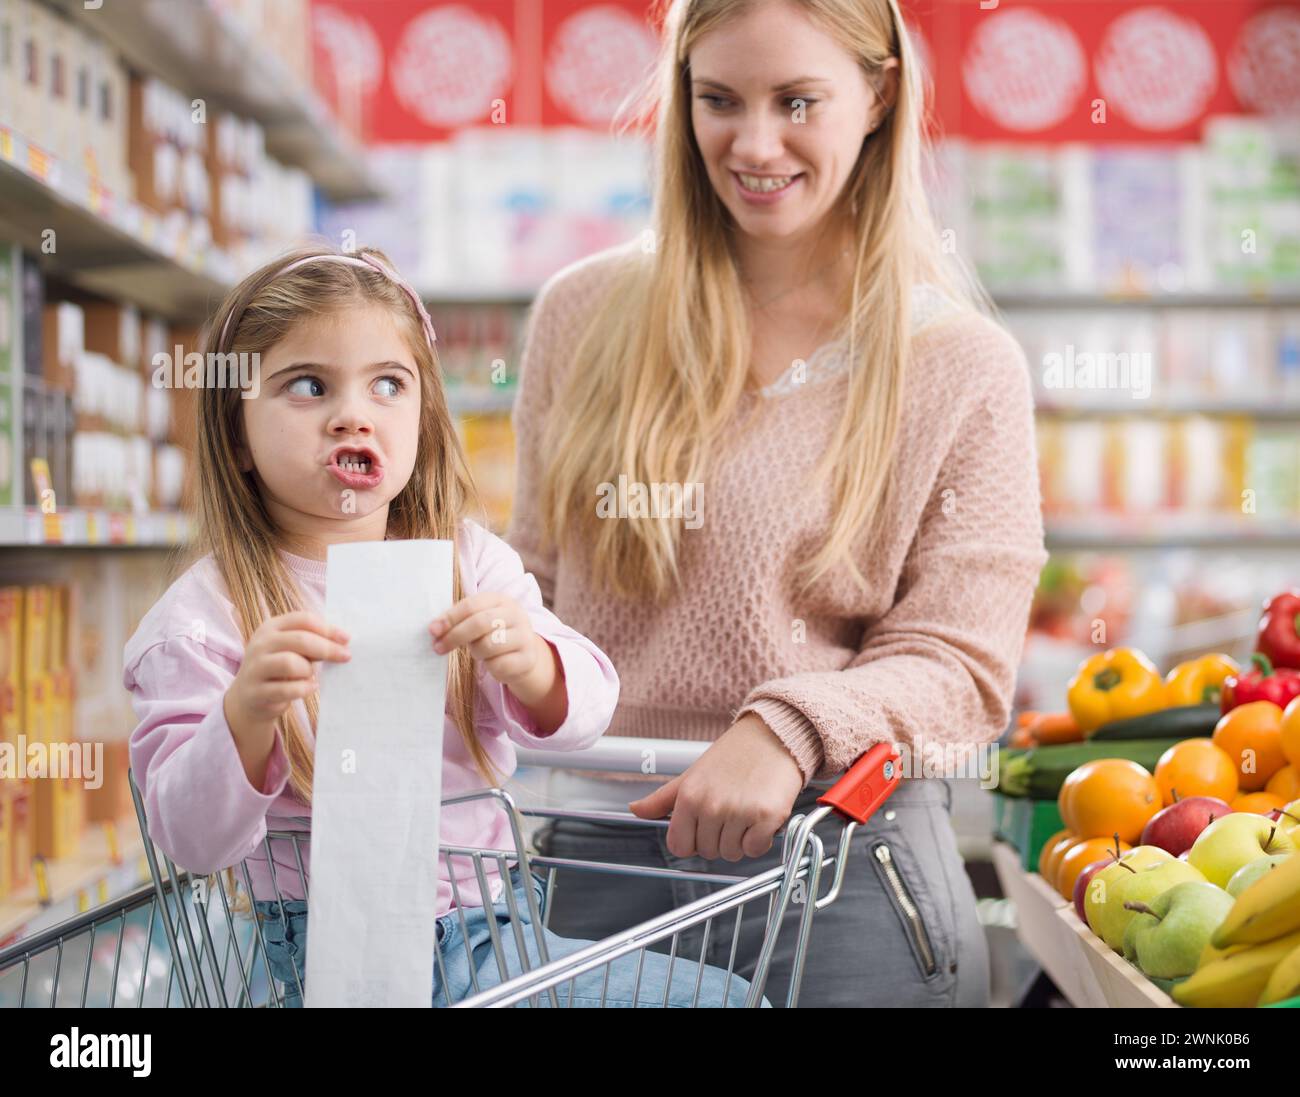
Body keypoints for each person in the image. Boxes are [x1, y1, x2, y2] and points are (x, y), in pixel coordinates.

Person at [509, 0, 1049, 1007]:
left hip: (832, 868)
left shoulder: (961, 367)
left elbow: (964, 673)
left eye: (796, 101)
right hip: (589, 858)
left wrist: (788, 725)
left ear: (879, 94)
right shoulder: (579, 317)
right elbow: (536, 582)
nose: (753, 145)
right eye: (718, 100)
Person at [122, 244, 762, 1007]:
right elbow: (189, 839)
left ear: (422, 418)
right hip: (317, 955)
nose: (352, 414)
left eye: (388, 384)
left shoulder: (466, 564)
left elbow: (585, 714)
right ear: (235, 436)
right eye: (308, 385)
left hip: (492, 930)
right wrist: (244, 715)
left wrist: (531, 663)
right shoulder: (201, 621)